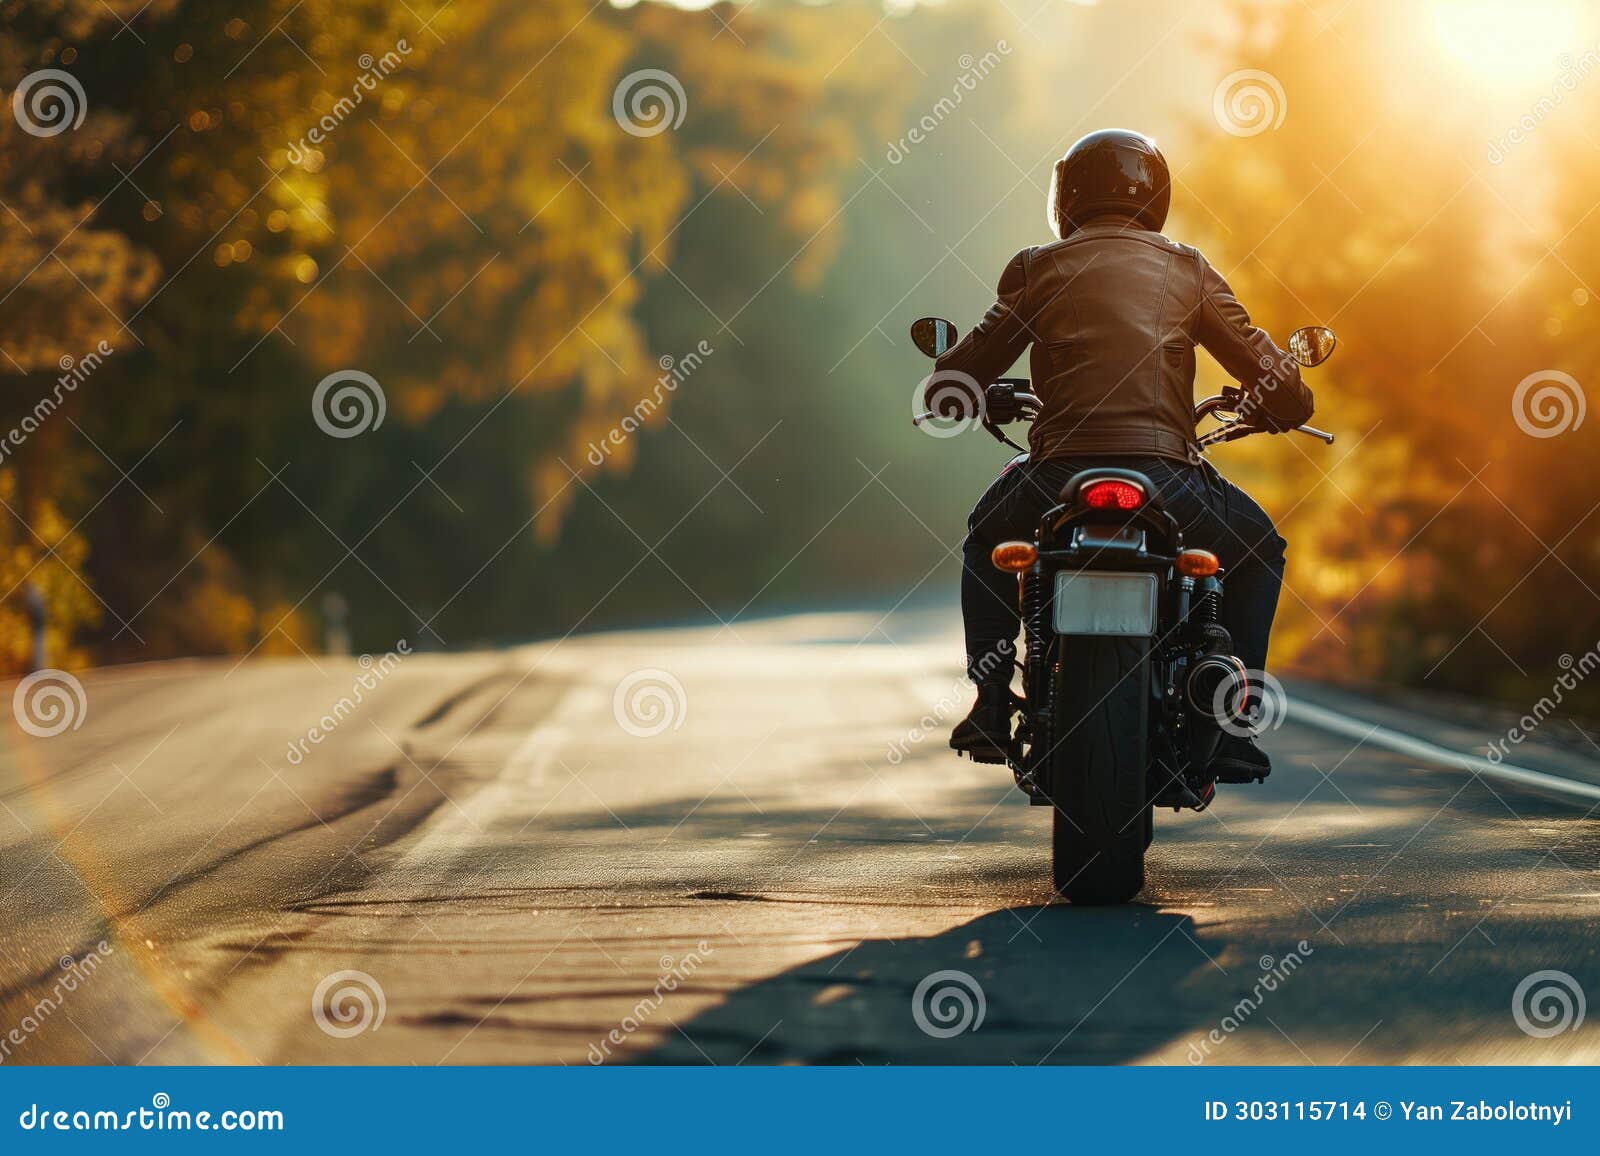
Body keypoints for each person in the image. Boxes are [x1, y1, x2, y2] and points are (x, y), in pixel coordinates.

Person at [933, 128, 1313, 783]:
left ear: (1067, 195)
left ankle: (992, 703)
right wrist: (1282, 404)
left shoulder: (1035, 268)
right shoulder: (1188, 268)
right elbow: (1276, 382)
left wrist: (960, 390)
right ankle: (1231, 716)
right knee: (1259, 549)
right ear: (1157, 196)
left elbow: (959, 373)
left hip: (1054, 477)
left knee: (984, 540)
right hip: (1171, 478)